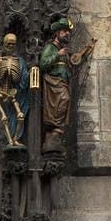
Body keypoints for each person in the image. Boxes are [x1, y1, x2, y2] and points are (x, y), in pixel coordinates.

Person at [39, 17, 96, 151]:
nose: (67, 34)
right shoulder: (51, 47)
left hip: (63, 82)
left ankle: (57, 128)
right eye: (64, 31)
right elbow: (42, 64)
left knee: (65, 101)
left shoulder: (64, 50)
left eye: (68, 32)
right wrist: (57, 55)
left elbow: (74, 62)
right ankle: (53, 127)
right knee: (64, 99)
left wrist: (88, 51)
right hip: (53, 83)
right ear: (57, 32)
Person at [0, 33, 29, 146]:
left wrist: (31, 73)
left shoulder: (20, 61)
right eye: (8, 44)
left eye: (13, 44)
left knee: (20, 115)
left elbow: (23, 77)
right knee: (5, 117)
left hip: (15, 93)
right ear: (4, 44)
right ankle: (8, 140)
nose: (10, 46)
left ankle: (15, 138)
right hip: (2, 93)